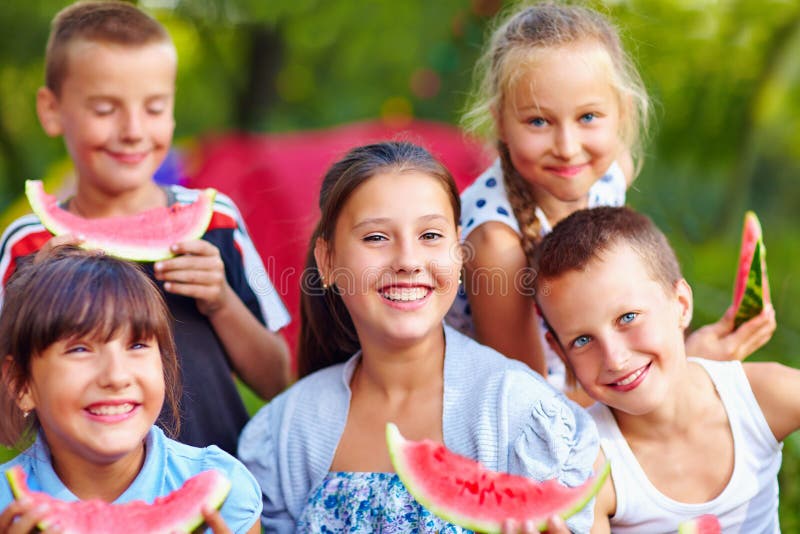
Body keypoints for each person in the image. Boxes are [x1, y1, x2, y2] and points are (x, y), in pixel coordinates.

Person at [238, 141, 598, 533]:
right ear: (327, 261)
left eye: (430, 235)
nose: (408, 261)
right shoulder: (285, 432)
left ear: (458, 252)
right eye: (376, 238)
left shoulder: (523, 415)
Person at [0, 0, 291, 455]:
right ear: (52, 109)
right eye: (105, 109)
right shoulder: (27, 246)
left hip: (219, 480)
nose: (133, 130)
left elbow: (279, 380)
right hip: (86, 494)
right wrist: (34, 301)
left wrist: (221, 302)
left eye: (154, 108)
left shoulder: (218, 222)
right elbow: (7, 422)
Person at [446, 2, 775, 398]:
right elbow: (531, 409)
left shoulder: (611, 170)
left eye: (588, 117)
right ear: (500, 121)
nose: (567, 148)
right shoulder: (496, 245)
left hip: (593, 377)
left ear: (622, 112)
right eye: (538, 121)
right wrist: (687, 365)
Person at [533, 206, 788, 531]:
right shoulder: (589, 466)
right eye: (582, 340)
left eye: (627, 318)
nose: (615, 359)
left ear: (681, 305)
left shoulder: (758, 397)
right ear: (560, 352)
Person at [0, 246, 262, 533]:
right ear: (21, 383)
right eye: (79, 349)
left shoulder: (228, 493)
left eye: (137, 345)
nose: (116, 377)